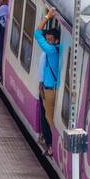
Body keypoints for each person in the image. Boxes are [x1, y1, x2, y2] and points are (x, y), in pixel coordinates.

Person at [34, 8, 61, 151]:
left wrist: (47, 16)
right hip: (49, 88)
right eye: (47, 39)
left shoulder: (51, 50)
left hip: (50, 90)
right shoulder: (56, 50)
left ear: (56, 41)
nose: (48, 42)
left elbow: (37, 33)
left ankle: (52, 146)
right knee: (48, 116)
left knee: (49, 118)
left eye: (50, 40)